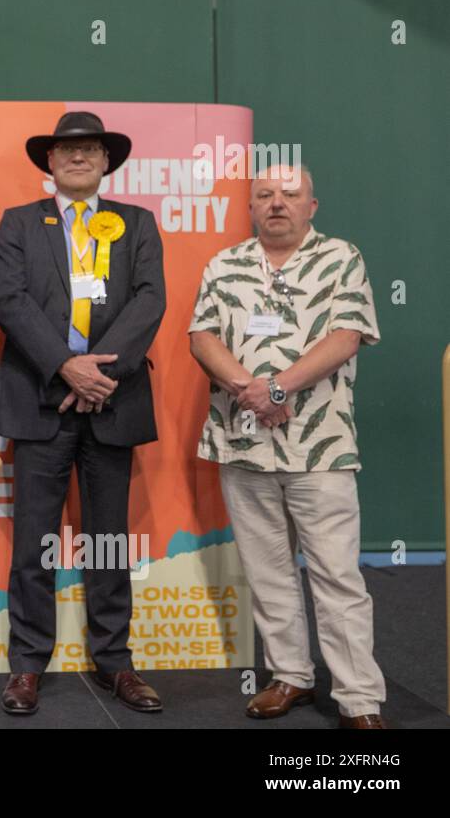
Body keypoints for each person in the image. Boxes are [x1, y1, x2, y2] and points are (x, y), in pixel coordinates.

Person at [188, 164, 386, 729]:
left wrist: (276, 387)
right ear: (251, 206)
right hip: (243, 443)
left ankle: (360, 699)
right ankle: (290, 676)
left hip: (319, 448)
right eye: (265, 195)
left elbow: (347, 335)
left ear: (312, 206)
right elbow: (201, 335)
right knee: (268, 570)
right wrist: (247, 392)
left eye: (290, 195)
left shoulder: (341, 258)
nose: (277, 203)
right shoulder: (225, 265)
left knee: (336, 576)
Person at [0, 111, 166, 716]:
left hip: (111, 403)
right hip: (42, 400)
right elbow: (10, 301)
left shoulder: (137, 224)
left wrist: (100, 377)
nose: (79, 156)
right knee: (34, 542)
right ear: (50, 163)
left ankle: (115, 662)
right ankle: (27, 666)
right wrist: (67, 366)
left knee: (108, 541)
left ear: (107, 160)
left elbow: (150, 299)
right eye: (67, 150)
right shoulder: (19, 224)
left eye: (90, 148)